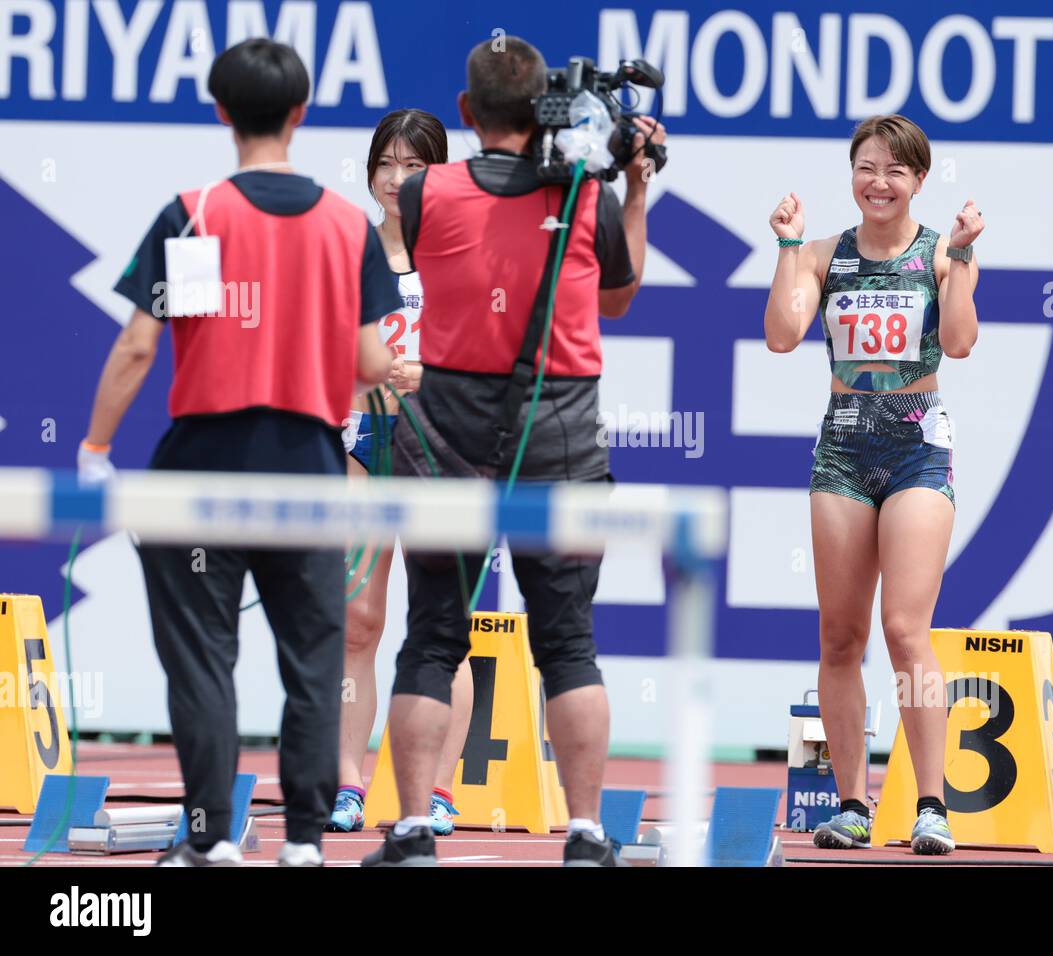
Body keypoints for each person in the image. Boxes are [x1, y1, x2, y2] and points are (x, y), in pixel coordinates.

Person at [78, 38, 400, 866]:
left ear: (222, 112)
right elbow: (371, 366)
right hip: (307, 463)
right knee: (313, 660)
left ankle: (211, 839)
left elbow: (142, 348)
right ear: (300, 114)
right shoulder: (344, 227)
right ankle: (301, 841)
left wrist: (96, 444)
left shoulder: (196, 213)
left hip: (203, 467)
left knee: (201, 661)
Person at [360, 35, 664, 867]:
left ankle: (415, 827)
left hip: (447, 430)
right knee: (568, 642)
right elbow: (622, 295)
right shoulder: (585, 196)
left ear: (463, 113)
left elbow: (442, 247)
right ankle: (588, 832)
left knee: (431, 637)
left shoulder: (422, 194)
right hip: (561, 431)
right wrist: (632, 184)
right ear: (545, 113)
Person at [764, 114, 982, 855]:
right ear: (851, 175)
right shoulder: (826, 254)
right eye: (866, 167)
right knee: (840, 635)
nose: (878, 182)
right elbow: (783, 334)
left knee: (904, 630)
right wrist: (790, 249)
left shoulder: (943, 257)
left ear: (918, 179)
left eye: (895, 170)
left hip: (918, 447)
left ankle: (930, 804)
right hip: (843, 452)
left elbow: (957, 342)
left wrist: (964, 258)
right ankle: (851, 804)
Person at [328, 108, 476, 836]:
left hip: (443, 450)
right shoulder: (347, 249)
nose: (395, 179)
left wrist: (431, 375)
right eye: (385, 163)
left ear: (438, 173)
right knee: (356, 620)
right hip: (366, 446)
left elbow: (496, 356)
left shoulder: (460, 251)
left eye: (413, 165)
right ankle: (347, 783)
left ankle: (438, 790)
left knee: (441, 625)